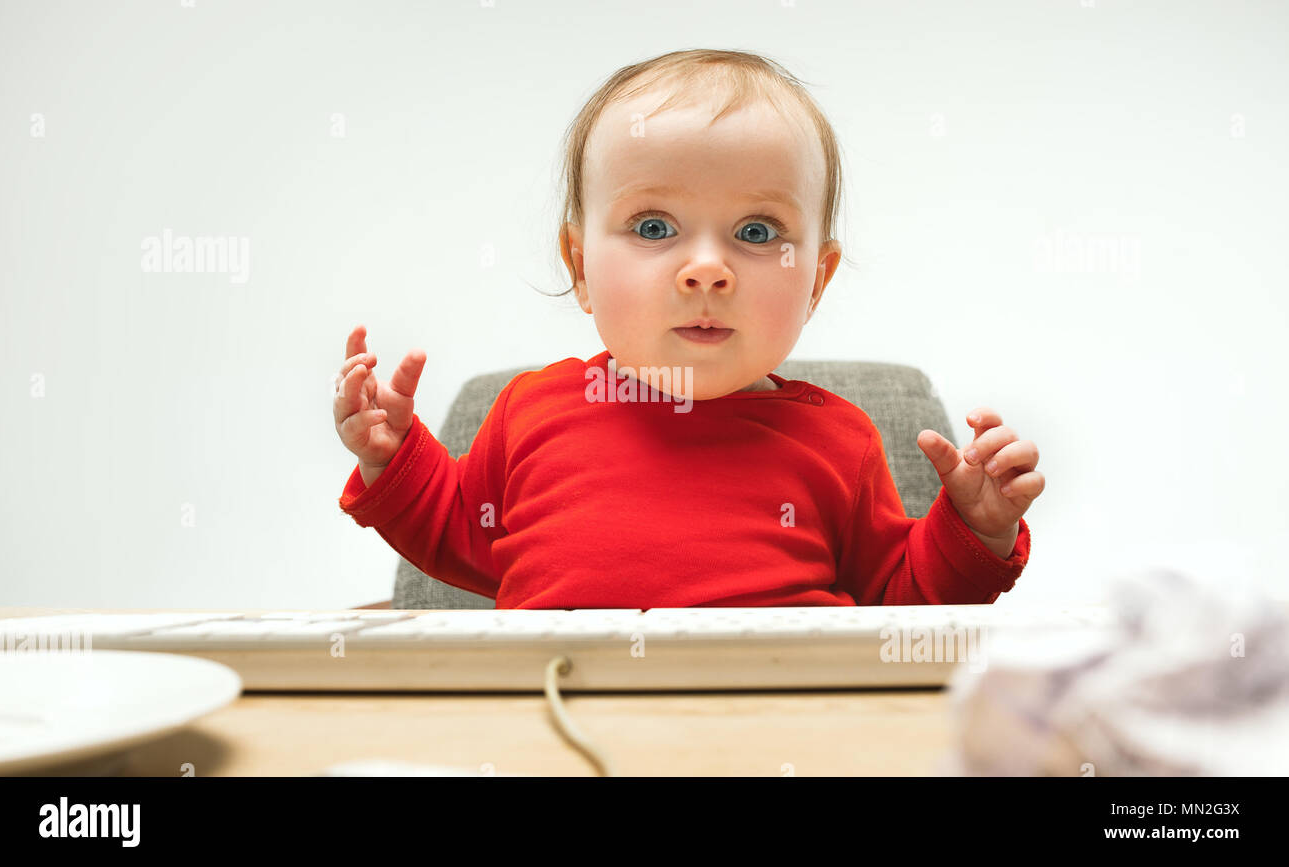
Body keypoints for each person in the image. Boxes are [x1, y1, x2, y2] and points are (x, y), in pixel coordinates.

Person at [331, 49, 1044, 609]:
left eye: (757, 231)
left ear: (816, 282)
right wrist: (394, 462)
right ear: (580, 266)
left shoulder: (841, 443)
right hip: (555, 728)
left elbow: (901, 600)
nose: (707, 269)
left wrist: (977, 530)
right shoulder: (530, 412)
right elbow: (459, 532)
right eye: (653, 226)